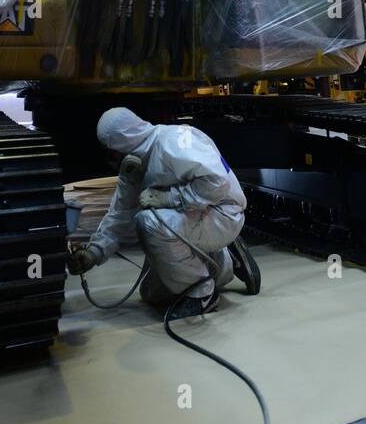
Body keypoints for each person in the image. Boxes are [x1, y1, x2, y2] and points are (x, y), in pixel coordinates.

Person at [66, 107, 260, 318]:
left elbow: (217, 183)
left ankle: (202, 296)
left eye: (110, 148)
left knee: (148, 221)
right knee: (153, 294)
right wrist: (95, 251)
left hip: (222, 212)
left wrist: (169, 198)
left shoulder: (173, 143)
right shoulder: (134, 164)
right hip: (193, 217)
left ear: (121, 140)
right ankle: (225, 260)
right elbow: (120, 213)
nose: (110, 155)